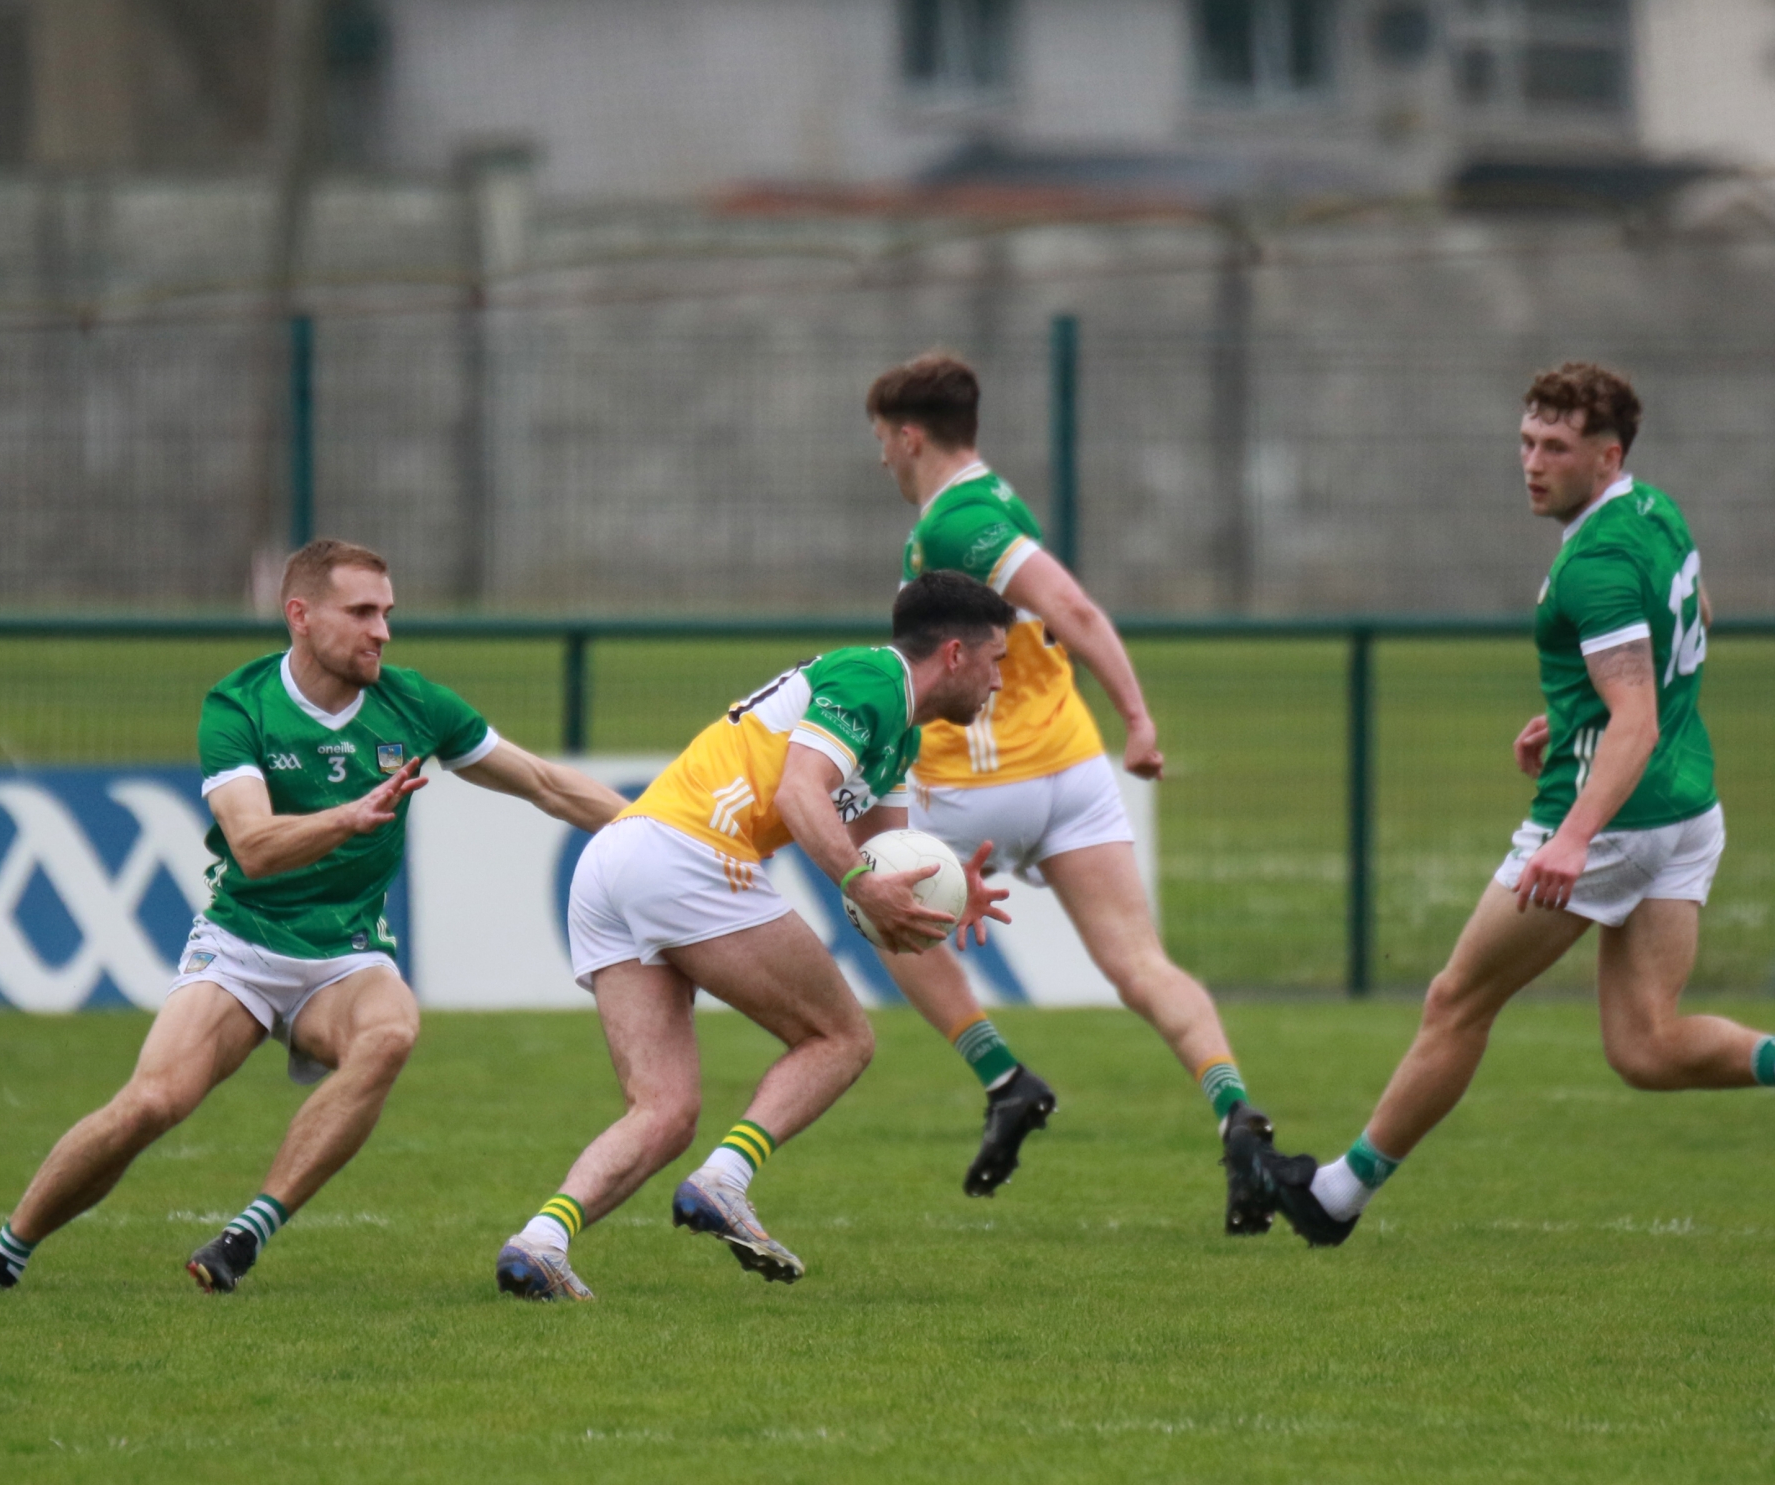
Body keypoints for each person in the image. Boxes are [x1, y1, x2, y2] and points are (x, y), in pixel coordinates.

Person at [0, 539, 626, 1293]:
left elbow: (544, 783)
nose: (383, 632)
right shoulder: (240, 705)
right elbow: (255, 845)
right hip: (243, 944)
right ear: (299, 615)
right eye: (362, 612)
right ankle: (3, 1254)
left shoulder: (414, 702)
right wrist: (350, 817)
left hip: (346, 954)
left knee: (391, 1029)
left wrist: (656, 832)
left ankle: (245, 1235)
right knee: (151, 1103)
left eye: (388, 613)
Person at [1235, 362, 1752, 1246]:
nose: (1532, 462)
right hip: (1685, 811)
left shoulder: (1595, 562)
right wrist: (1570, 713)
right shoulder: (1653, 510)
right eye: (1526, 441)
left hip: (1610, 823)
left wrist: (1572, 838)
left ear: (1607, 453)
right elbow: (1690, 617)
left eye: (1556, 446)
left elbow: (1634, 718)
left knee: (1456, 999)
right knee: (1646, 1049)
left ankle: (1332, 1198)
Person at [496, 570, 1015, 1301]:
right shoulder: (873, 678)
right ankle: (725, 1179)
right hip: (686, 855)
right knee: (841, 1039)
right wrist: (861, 886)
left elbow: (883, 858)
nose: (999, 682)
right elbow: (800, 794)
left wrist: (945, 891)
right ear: (955, 653)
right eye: (997, 659)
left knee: (665, 1109)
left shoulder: (899, 737)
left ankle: (541, 1242)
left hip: (617, 855)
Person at [866, 353, 1278, 1231]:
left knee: (877, 905)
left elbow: (1077, 610)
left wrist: (1141, 716)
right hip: (1071, 772)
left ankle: (1003, 1078)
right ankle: (1234, 1108)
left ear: (908, 435)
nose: (881, 461)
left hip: (979, 781)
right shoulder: (1000, 496)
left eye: (881, 441)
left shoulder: (960, 521)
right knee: (1141, 963)